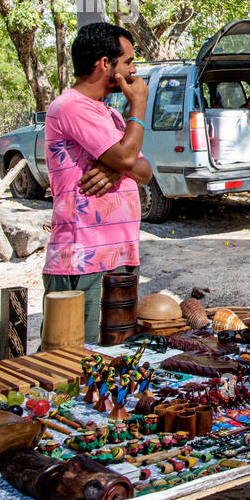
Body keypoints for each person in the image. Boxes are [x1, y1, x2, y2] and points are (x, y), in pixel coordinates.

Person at [42, 23, 154, 341]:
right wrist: (139, 105)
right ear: (105, 64)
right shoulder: (70, 107)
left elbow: (144, 171)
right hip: (82, 259)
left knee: (113, 359)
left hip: (119, 257)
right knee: (76, 360)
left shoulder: (112, 116)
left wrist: (117, 169)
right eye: (128, 61)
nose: (133, 71)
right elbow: (130, 158)